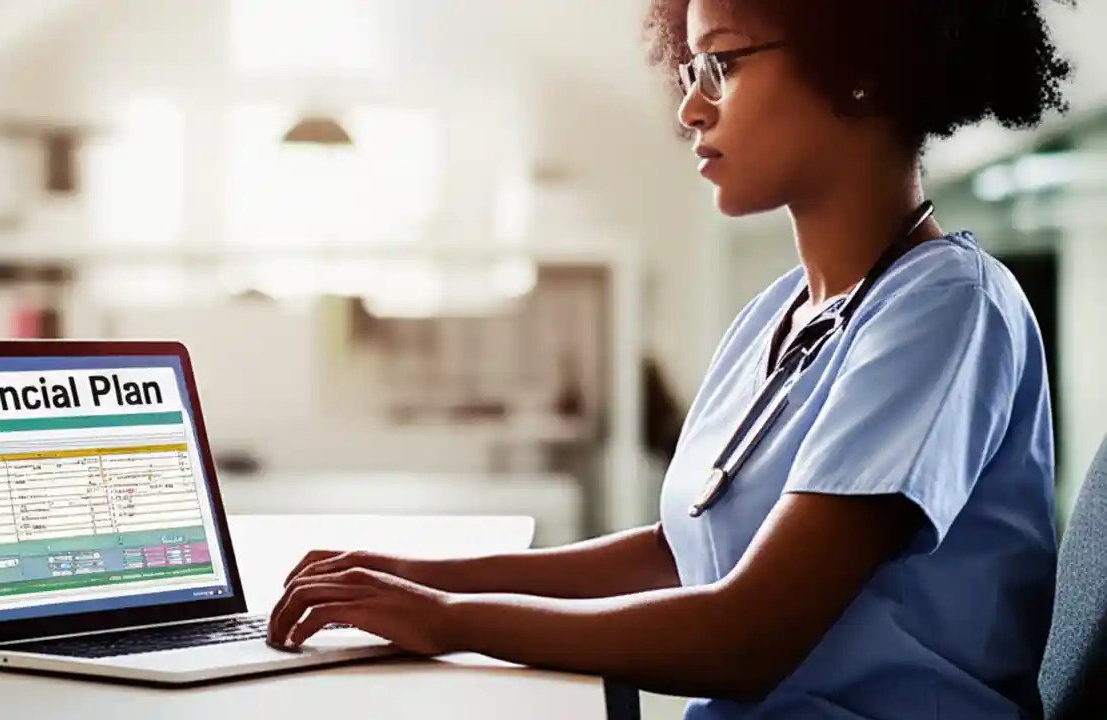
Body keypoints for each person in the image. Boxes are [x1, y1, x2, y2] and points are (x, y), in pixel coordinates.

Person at [267, 1, 1073, 716]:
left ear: (858, 64)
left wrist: (448, 621)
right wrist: (427, 577)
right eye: (690, 69)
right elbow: (674, 552)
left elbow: (746, 637)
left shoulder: (947, 309)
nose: (690, 107)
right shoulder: (779, 312)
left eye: (721, 64)